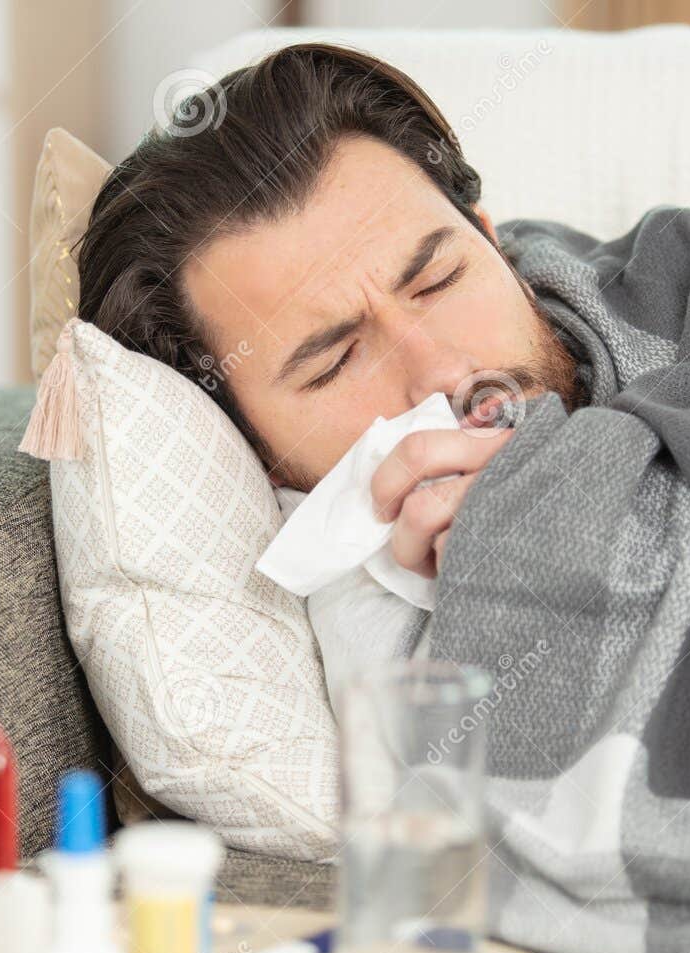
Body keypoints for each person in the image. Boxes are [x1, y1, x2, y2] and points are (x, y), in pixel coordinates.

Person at [77, 43, 580, 582]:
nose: (446, 372)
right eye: (335, 362)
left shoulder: (680, 284)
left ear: (490, 242)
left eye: (439, 281)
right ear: (251, 446)